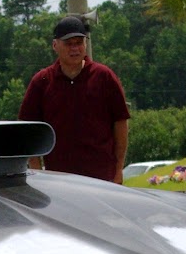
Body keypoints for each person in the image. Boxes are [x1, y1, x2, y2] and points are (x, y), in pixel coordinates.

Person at [18, 15, 130, 183]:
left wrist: (118, 168)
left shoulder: (104, 77)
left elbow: (121, 123)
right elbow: (28, 129)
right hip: (59, 183)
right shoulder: (42, 81)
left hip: (102, 179)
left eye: (79, 43)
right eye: (69, 44)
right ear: (55, 45)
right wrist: (36, 170)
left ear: (86, 44)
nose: (75, 49)